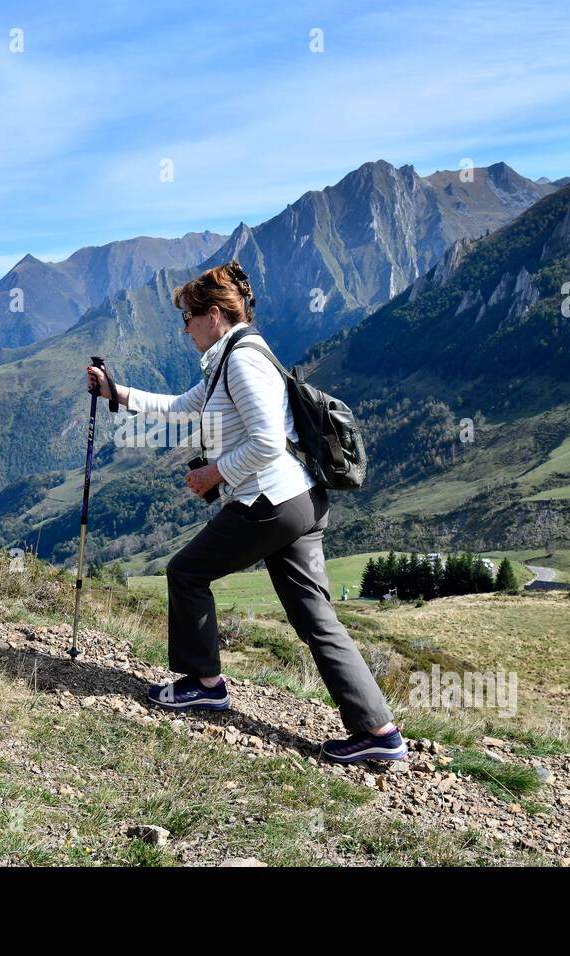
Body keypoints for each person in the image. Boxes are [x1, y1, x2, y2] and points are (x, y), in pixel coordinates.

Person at [85, 260, 405, 763]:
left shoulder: (241, 361)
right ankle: (378, 732)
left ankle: (204, 683)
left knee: (186, 571)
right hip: (299, 501)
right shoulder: (231, 357)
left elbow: (267, 440)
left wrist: (215, 474)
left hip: (269, 502)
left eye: (188, 318)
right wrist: (116, 393)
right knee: (315, 617)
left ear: (213, 315)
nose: (184, 328)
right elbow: (182, 406)